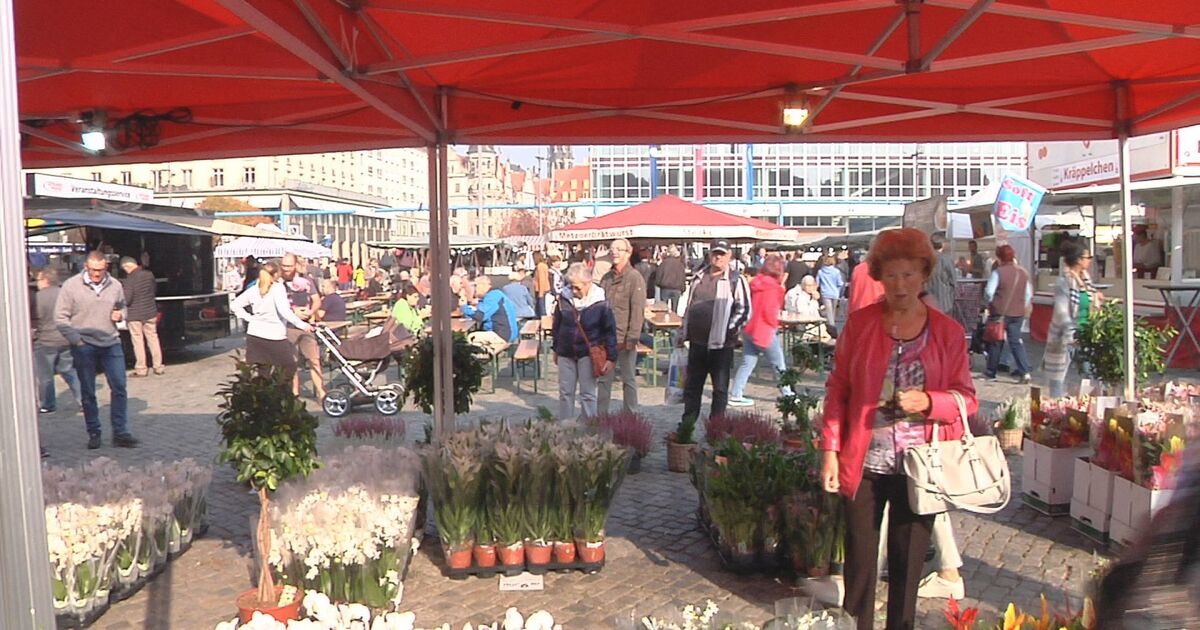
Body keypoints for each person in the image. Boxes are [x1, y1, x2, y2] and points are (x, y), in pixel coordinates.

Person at [820, 228, 977, 630]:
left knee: (907, 567)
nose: (900, 284)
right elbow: (838, 388)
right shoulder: (860, 324)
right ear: (878, 276)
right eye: (891, 275)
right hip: (865, 460)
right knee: (859, 561)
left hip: (920, 467)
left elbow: (967, 398)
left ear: (924, 276)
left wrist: (929, 401)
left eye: (909, 275)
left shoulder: (947, 332)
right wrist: (830, 451)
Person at [54, 251, 139, 449]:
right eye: (92, 270)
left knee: (119, 386)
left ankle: (121, 431)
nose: (96, 275)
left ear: (106, 268)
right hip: (84, 344)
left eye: (100, 270)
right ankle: (94, 432)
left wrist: (121, 315)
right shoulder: (71, 286)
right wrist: (77, 340)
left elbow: (123, 307)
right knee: (88, 391)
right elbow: (60, 318)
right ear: (86, 267)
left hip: (111, 341)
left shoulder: (115, 285)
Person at [677, 239, 751, 422]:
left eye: (722, 254)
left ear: (729, 256)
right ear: (709, 254)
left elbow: (744, 310)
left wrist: (729, 330)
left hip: (721, 345)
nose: (718, 257)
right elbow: (689, 306)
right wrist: (683, 331)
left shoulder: (736, 279)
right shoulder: (698, 277)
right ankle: (687, 427)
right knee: (692, 388)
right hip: (697, 342)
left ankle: (716, 430)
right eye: (715, 253)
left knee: (719, 389)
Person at [551, 263, 616, 420]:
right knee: (565, 392)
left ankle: (590, 428)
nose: (574, 291)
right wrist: (555, 348)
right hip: (566, 350)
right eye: (572, 287)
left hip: (588, 351)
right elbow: (557, 324)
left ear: (588, 284)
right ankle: (565, 427)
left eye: (577, 288)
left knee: (588, 393)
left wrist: (611, 357)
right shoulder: (564, 299)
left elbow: (610, 330)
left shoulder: (600, 302)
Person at [231, 262, 314, 381]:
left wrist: (249, 318)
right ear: (275, 275)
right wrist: (302, 325)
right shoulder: (277, 288)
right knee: (289, 366)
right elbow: (284, 311)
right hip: (274, 335)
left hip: (255, 335)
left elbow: (235, 305)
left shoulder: (254, 289)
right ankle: (278, 390)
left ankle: (265, 394)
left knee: (263, 371)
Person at [729, 254, 790, 406]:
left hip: (749, 328)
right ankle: (788, 395)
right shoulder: (775, 288)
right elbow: (769, 311)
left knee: (747, 362)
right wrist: (776, 323)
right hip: (764, 329)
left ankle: (736, 393)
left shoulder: (755, 283)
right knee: (779, 365)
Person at [1045, 240, 1102, 398]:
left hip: (1086, 334)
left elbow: (1091, 302)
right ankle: (1055, 408)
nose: (1089, 260)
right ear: (1078, 259)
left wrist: (1096, 299)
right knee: (1057, 378)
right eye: (1087, 257)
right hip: (1066, 337)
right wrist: (1072, 333)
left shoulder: (1086, 281)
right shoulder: (1064, 282)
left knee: (1091, 376)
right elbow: (1062, 312)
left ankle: (1091, 409)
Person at [598, 238, 646, 415]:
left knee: (628, 379)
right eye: (612, 249)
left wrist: (632, 338)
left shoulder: (634, 278)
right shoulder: (606, 278)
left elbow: (638, 311)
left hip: (624, 338)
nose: (614, 252)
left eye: (619, 249)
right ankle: (600, 416)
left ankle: (630, 416)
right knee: (603, 379)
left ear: (628, 252)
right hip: (605, 338)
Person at [33, 267, 80, 414]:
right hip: (65, 339)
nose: (37, 283)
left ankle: (48, 404)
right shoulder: (65, 294)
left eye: (38, 280)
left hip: (45, 340)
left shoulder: (38, 297)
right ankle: (83, 400)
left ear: (45, 280)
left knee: (45, 376)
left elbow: (36, 318)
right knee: (70, 371)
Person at [983, 244, 1033, 382]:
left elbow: (989, 292)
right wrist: (1020, 305)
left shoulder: (998, 272)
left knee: (995, 341)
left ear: (999, 257)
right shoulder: (1022, 273)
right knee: (1016, 342)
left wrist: (991, 303)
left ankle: (990, 372)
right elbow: (1028, 294)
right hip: (1018, 313)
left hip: (1000, 312)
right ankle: (1025, 371)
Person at [280, 254, 325, 401]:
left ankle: (321, 392)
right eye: (283, 266)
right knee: (291, 362)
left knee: (314, 360)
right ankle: (294, 394)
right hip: (288, 326)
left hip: (306, 326)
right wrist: (292, 312)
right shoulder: (278, 283)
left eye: (289, 266)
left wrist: (311, 311)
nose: (286, 269)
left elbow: (316, 300)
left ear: (295, 266)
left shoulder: (306, 282)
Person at [120, 256, 164, 377]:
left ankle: (141, 368)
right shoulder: (149, 275)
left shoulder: (130, 279)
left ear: (127, 266)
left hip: (135, 314)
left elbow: (127, 299)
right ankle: (158, 366)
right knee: (153, 339)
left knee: (138, 341)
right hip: (150, 311)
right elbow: (154, 290)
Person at [462, 275, 519, 355]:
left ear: (483, 285)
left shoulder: (493, 297)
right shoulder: (495, 295)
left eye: (475, 286)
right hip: (507, 334)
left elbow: (480, 316)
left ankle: (481, 360)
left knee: (470, 337)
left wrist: (463, 307)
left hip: (502, 335)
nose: (474, 289)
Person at [927, 234, 958, 316]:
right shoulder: (946, 259)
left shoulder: (925, 260)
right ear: (942, 245)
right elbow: (954, 281)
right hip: (945, 303)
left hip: (928, 303)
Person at [816, 254, 845, 337]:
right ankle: (833, 328)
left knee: (829, 312)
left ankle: (832, 329)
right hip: (835, 293)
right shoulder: (836, 271)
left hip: (825, 293)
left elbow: (817, 283)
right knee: (833, 311)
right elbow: (840, 283)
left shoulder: (820, 272)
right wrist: (839, 291)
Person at [656, 245, 686, 311]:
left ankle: (664, 320)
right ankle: (674, 320)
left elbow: (658, 275)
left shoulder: (663, 263)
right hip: (676, 289)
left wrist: (658, 284)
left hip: (665, 288)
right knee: (674, 310)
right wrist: (683, 289)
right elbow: (683, 277)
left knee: (663, 309)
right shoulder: (680, 264)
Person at [533, 252, 551, 317]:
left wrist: (541, 293)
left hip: (542, 290)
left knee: (542, 310)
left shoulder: (540, 266)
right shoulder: (544, 265)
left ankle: (544, 323)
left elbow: (542, 279)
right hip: (545, 289)